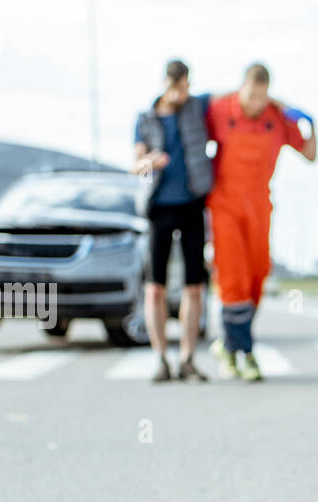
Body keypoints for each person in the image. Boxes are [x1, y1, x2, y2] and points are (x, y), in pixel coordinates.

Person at [205, 63, 318, 382]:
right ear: (241, 88)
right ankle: (245, 353)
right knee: (234, 278)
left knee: (257, 275)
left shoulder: (276, 118)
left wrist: (311, 125)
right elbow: (199, 105)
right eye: (250, 96)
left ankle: (229, 346)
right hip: (224, 204)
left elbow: (310, 155)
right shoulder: (221, 109)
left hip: (259, 206)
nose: (255, 104)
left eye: (261, 98)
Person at [133, 59, 211, 382]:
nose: (180, 95)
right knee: (156, 289)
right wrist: (151, 162)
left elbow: (233, 94)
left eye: (185, 88)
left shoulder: (197, 108)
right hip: (159, 208)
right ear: (165, 84)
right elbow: (136, 166)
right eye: (175, 88)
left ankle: (188, 359)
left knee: (194, 288)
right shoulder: (145, 119)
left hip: (192, 205)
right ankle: (161, 359)